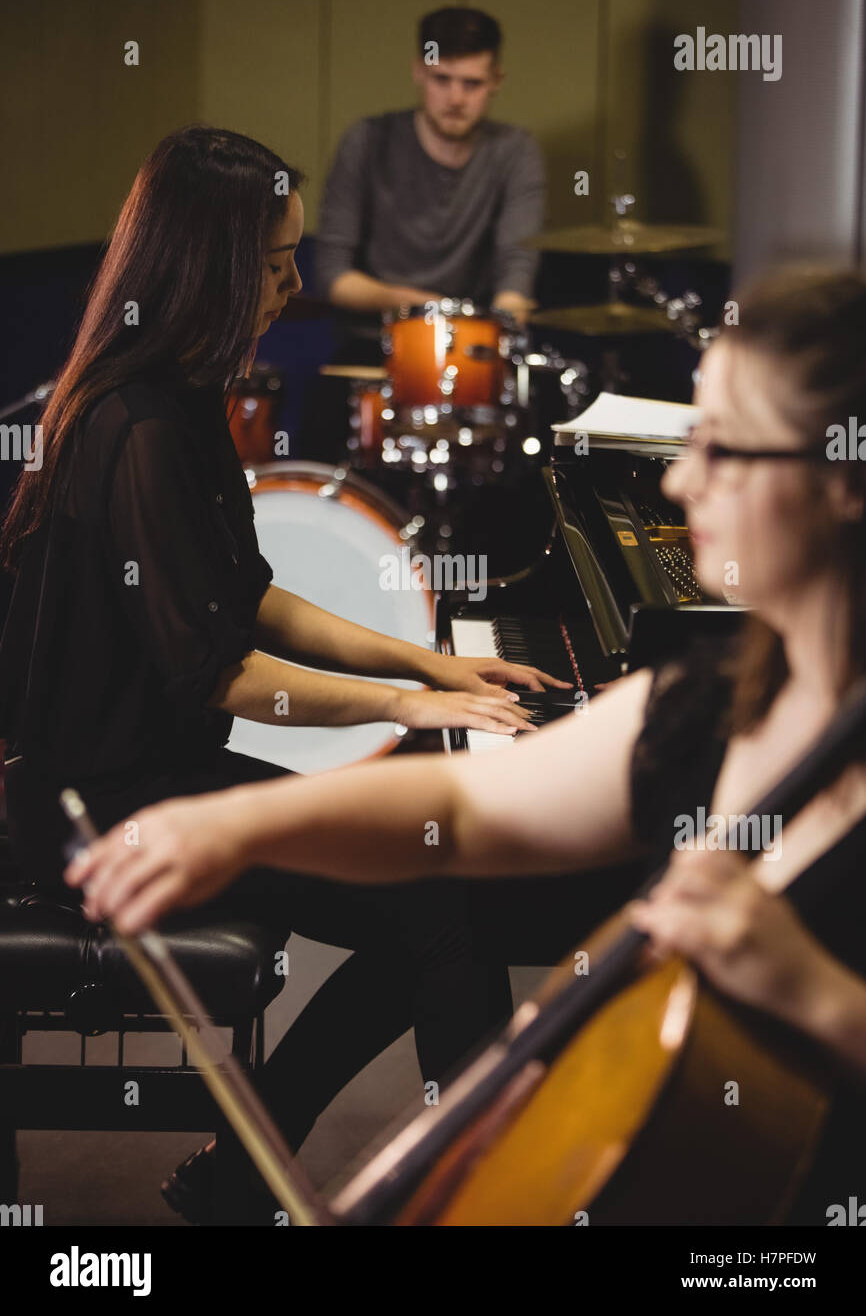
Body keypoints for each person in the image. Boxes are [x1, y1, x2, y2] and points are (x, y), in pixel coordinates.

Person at [73, 267, 866, 1225]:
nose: (676, 478)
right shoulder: (708, 707)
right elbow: (458, 810)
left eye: (721, 445)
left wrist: (815, 995)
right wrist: (229, 827)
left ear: (842, 481)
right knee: (454, 908)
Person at [0, 124, 569, 1222]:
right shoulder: (139, 427)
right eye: (273, 265)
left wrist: (422, 656)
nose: (295, 286)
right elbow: (219, 673)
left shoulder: (178, 394)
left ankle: (248, 1177)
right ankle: (455, 1185)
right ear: (208, 267)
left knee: (430, 897)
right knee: (432, 896)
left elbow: (248, 596)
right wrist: (413, 703)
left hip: (148, 772)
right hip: (93, 812)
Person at [316, 6, 545, 326]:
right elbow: (332, 275)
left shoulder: (516, 150)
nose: (455, 98)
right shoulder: (366, 141)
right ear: (419, 72)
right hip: (373, 342)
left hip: (472, 342)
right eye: (442, 79)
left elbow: (516, 268)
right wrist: (429, 311)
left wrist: (506, 313)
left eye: (472, 83)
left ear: (496, 80)